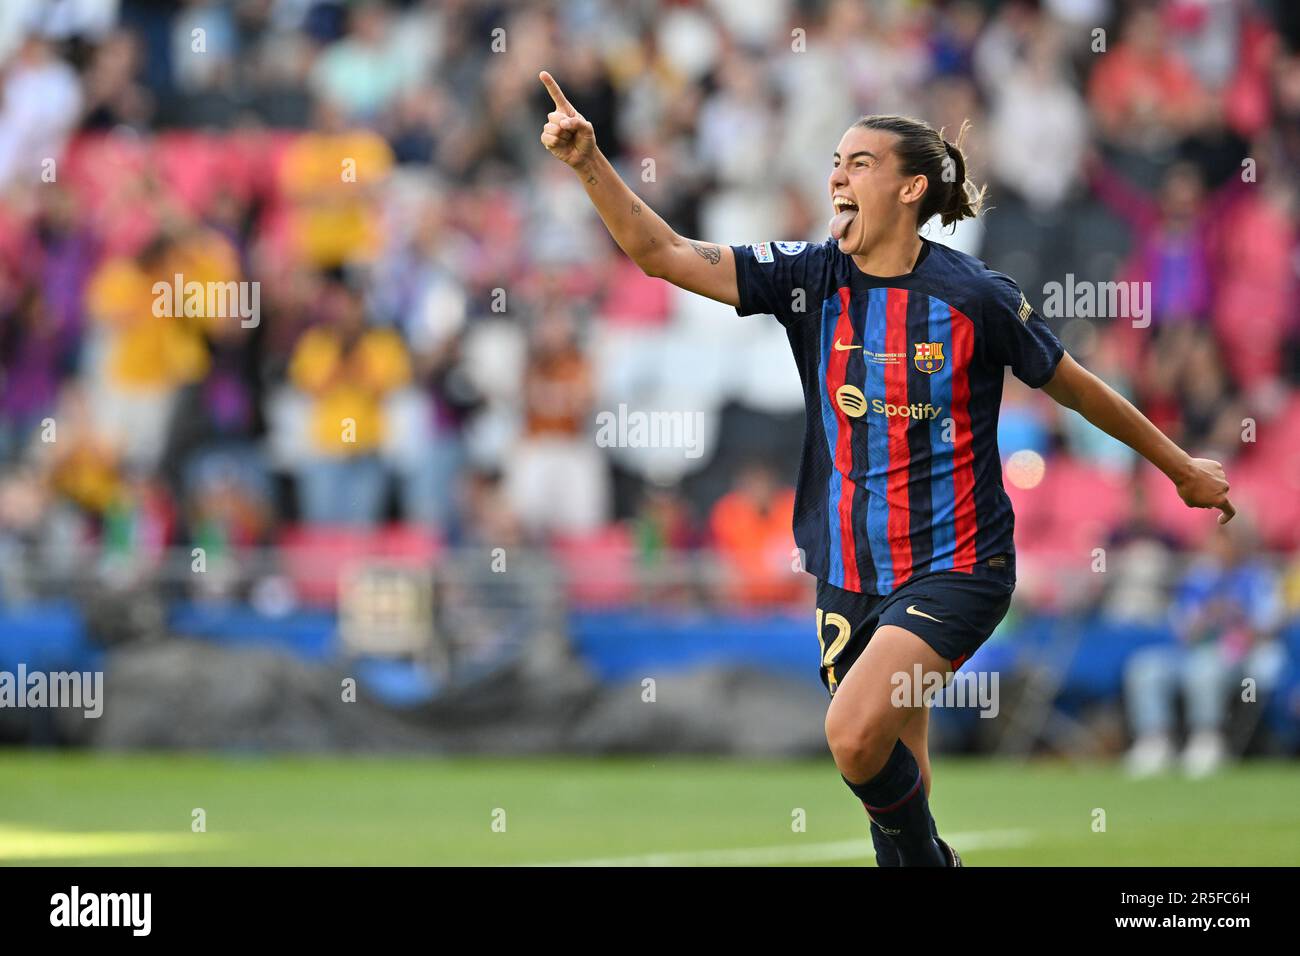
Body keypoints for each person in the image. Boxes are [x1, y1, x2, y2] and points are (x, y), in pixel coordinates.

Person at [536, 71, 1234, 866]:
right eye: (836, 162)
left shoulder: (974, 296)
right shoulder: (807, 277)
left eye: (859, 163)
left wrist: (1180, 467)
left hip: (958, 564)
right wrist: (589, 161)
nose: (838, 175)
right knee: (898, 763)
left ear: (910, 189)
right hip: (849, 569)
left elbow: (1077, 387)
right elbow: (660, 253)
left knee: (851, 735)